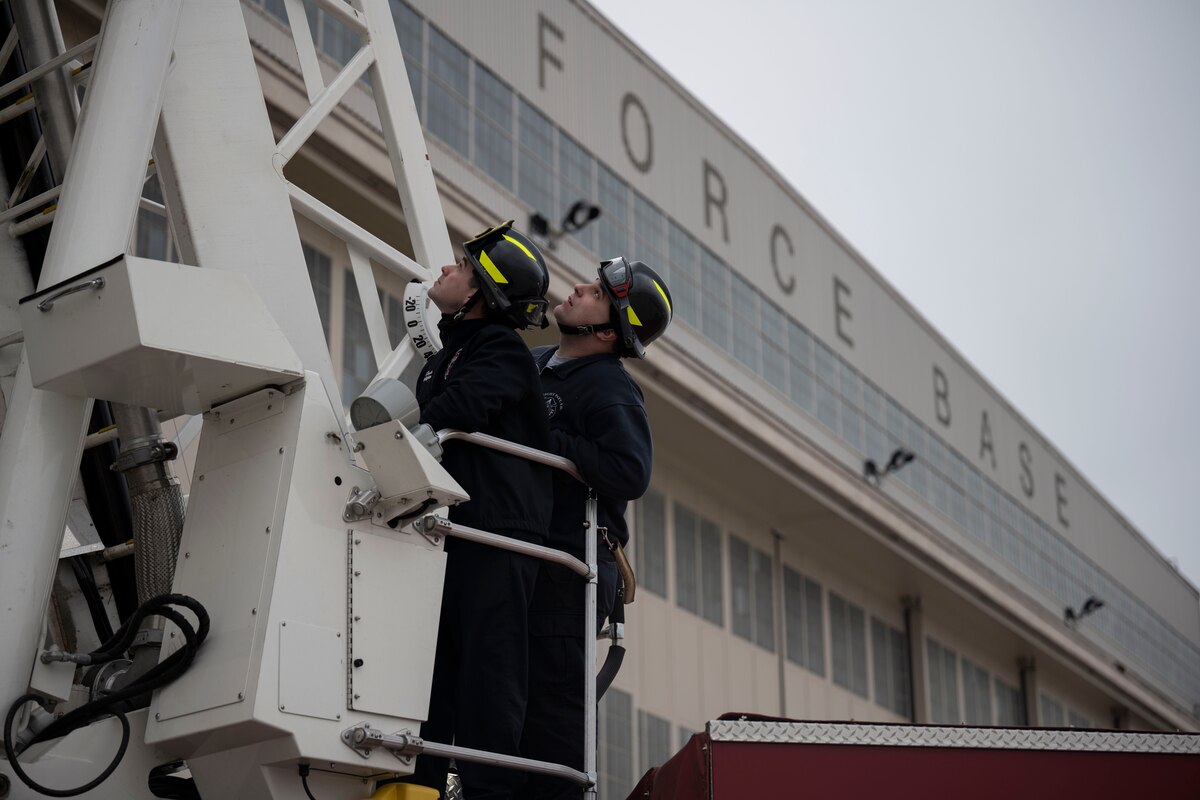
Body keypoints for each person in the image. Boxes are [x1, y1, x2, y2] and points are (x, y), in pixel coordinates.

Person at [406, 220, 553, 799]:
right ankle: (418, 783)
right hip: (456, 529)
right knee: (434, 668)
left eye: (462, 267)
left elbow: (465, 405)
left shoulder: (499, 349)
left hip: (498, 530)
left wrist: (407, 427)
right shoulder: (453, 351)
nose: (446, 269)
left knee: (490, 671)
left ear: (476, 294)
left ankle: (490, 791)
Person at [520, 257, 673, 799]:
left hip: (568, 571)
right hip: (520, 556)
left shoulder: (609, 386)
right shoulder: (534, 362)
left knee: (552, 711)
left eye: (598, 293)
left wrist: (546, 441)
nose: (579, 286)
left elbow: (630, 471)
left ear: (608, 331)